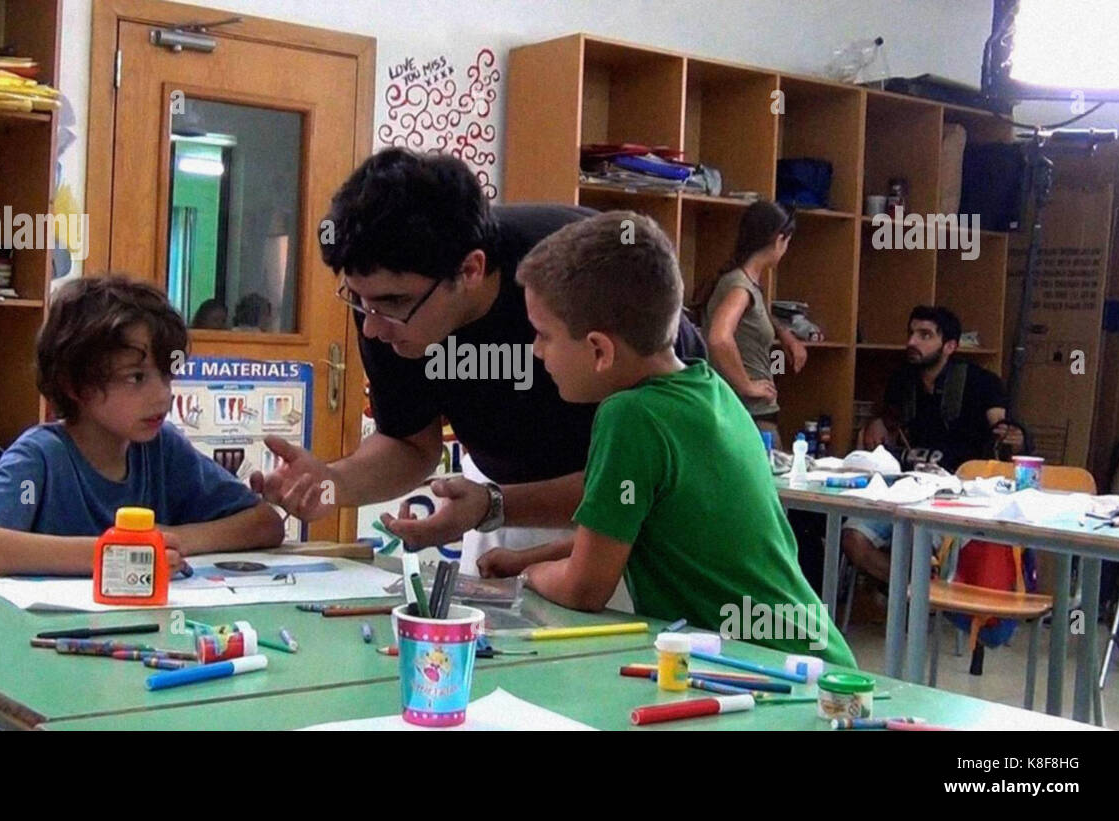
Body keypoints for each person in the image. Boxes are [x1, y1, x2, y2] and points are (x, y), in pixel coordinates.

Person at [250, 148, 703, 576]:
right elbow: (409, 444)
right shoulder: (386, 309)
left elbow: (648, 477)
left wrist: (495, 505)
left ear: (469, 270)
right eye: (359, 300)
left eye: (390, 302)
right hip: (498, 503)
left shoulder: (578, 277)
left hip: (635, 517)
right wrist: (332, 482)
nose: (372, 327)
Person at [478, 211, 854, 665]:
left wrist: (531, 574)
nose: (536, 351)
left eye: (543, 335)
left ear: (599, 349)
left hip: (772, 670)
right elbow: (627, 535)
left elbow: (584, 587)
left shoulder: (630, 416)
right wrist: (521, 559)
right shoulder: (708, 388)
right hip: (808, 651)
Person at [0, 276, 284, 575]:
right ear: (76, 384)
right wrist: (109, 554)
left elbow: (266, 523)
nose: (162, 396)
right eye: (136, 378)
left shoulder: (162, 449)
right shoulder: (44, 456)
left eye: (167, 375)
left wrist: (176, 539)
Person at [842, 305, 1025, 583]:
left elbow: (1002, 431)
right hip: (902, 490)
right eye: (912, 333)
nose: (912, 342)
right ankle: (920, 589)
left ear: (949, 346)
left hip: (954, 498)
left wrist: (1011, 436)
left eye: (925, 335)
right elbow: (887, 416)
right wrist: (877, 421)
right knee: (852, 538)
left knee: (921, 540)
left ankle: (924, 597)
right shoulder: (903, 380)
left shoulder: (980, 382)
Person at [703, 202, 807, 447]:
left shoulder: (745, 283)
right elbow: (719, 338)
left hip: (748, 412)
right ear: (780, 239)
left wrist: (785, 335)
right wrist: (746, 385)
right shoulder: (740, 286)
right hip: (748, 414)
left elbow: (752, 317)